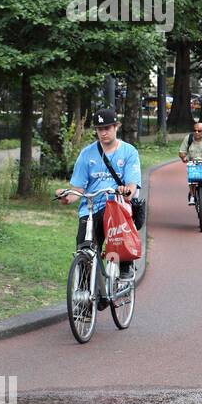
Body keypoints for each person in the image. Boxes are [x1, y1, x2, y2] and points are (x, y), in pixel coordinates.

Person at [55, 107, 141, 281]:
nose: (103, 133)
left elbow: (131, 186)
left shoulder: (129, 152)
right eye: (99, 129)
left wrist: (127, 191)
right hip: (90, 208)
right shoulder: (86, 154)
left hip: (116, 207)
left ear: (116, 127)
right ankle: (85, 296)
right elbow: (77, 189)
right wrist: (66, 196)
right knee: (84, 249)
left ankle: (125, 264)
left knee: (118, 243)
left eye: (107, 128)